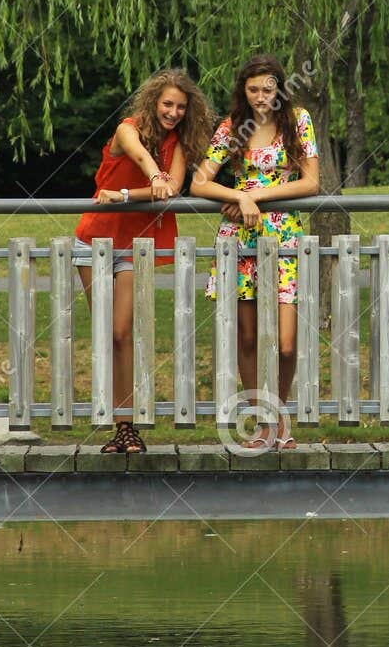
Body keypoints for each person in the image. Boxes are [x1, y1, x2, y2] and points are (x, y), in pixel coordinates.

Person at [75, 68, 214, 454]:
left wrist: (121, 194)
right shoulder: (127, 127)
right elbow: (141, 158)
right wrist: (152, 178)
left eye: (181, 107)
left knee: (122, 331)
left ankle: (127, 425)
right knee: (106, 333)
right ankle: (115, 424)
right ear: (154, 101)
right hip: (94, 239)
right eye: (167, 103)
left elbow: (169, 191)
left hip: (135, 245)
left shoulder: (179, 145)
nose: (173, 112)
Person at [191, 54, 320, 450]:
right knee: (246, 337)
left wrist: (257, 196)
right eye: (253, 89)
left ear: (279, 88)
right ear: (242, 91)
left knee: (285, 341)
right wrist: (238, 197)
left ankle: (281, 416)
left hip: (283, 234)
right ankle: (261, 421)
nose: (261, 96)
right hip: (240, 235)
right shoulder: (232, 127)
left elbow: (311, 183)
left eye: (268, 88)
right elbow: (199, 183)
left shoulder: (297, 120)